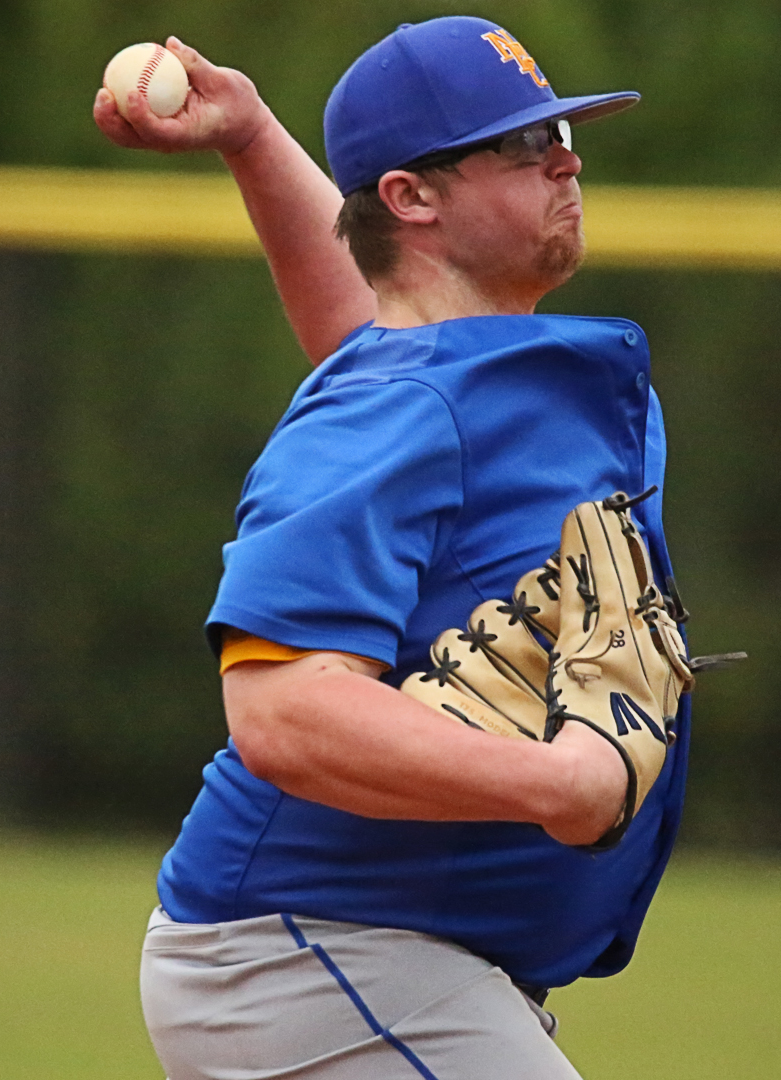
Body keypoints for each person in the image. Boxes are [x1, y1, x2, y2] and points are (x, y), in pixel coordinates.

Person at [96, 17, 691, 1080]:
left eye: (561, 133)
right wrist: (557, 782)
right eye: (524, 144)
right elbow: (282, 712)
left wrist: (252, 138)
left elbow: (377, 333)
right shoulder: (387, 414)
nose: (566, 160)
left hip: (381, 954)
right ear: (412, 197)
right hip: (309, 950)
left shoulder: (459, 377)